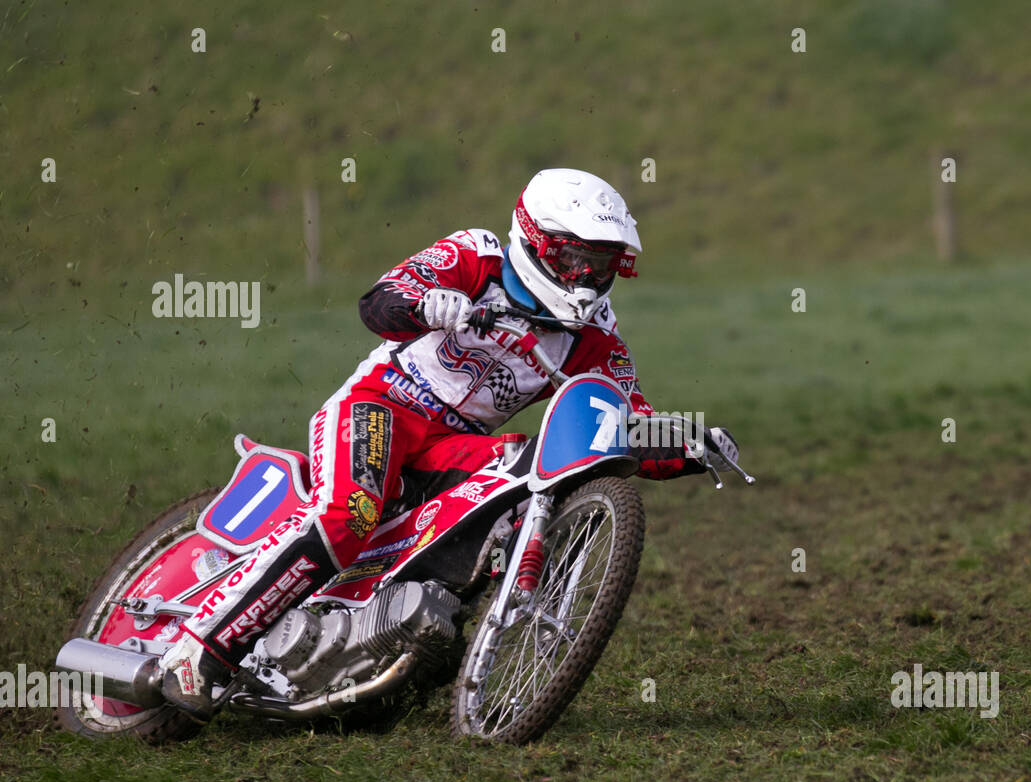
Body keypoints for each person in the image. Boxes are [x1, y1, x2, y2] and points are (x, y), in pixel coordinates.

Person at [156, 168, 740, 722]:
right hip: (380, 407)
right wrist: (424, 305)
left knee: (523, 471)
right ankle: (203, 648)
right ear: (534, 241)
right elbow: (378, 301)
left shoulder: (595, 336)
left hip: (452, 448)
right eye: (574, 259)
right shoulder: (476, 254)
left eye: (601, 264)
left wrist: (687, 440)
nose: (587, 276)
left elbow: (620, 421)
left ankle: (407, 639)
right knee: (349, 512)